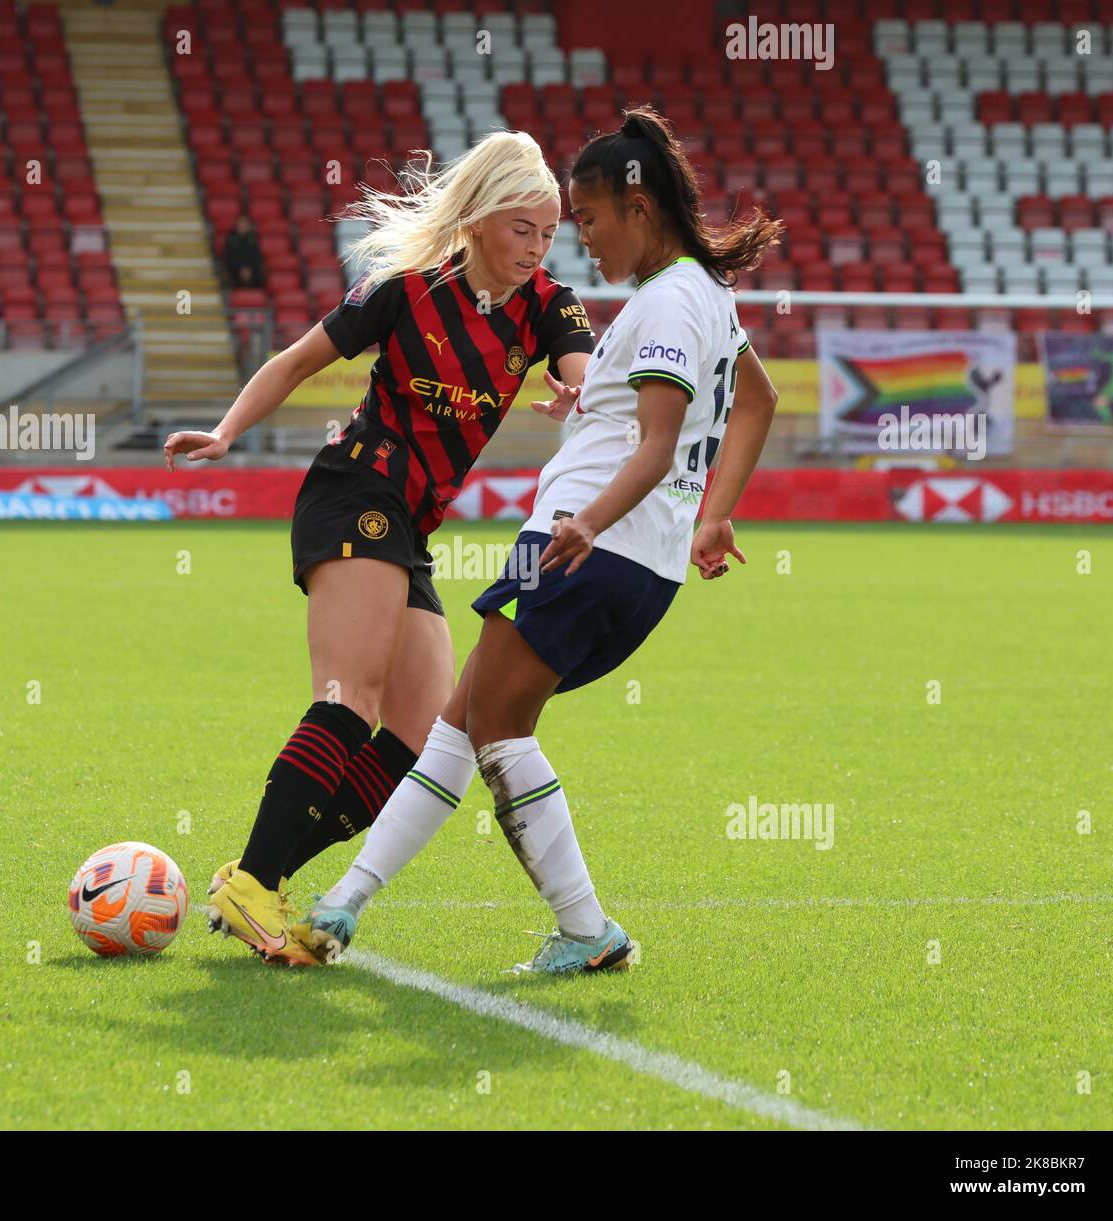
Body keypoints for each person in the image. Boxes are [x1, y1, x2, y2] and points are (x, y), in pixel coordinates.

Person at [290, 107, 783, 974]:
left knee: (500, 729)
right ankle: (343, 903)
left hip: (585, 545)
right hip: (646, 559)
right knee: (463, 723)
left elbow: (657, 444)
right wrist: (713, 514)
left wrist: (587, 520)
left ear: (639, 209)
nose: (579, 241)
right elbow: (758, 401)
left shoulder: (668, 301)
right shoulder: (710, 294)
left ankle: (587, 927)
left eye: (587, 220)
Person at [165, 131, 596, 965]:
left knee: (422, 737)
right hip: (354, 494)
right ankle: (254, 885)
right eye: (522, 230)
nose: (537, 248)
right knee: (349, 696)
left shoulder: (549, 303)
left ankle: (257, 877)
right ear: (477, 218)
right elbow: (294, 362)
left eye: (549, 233)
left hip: (409, 530)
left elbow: (589, 371)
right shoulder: (403, 291)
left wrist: (574, 391)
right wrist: (225, 431)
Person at [223, 214, 265, 288]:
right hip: (236, 271)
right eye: (241, 223)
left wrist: (249, 269)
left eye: (245, 223)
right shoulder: (231, 239)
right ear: (236, 225)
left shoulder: (253, 239)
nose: (242, 226)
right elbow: (229, 257)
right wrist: (240, 269)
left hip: (251, 271)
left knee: (260, 277)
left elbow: (257, 256)